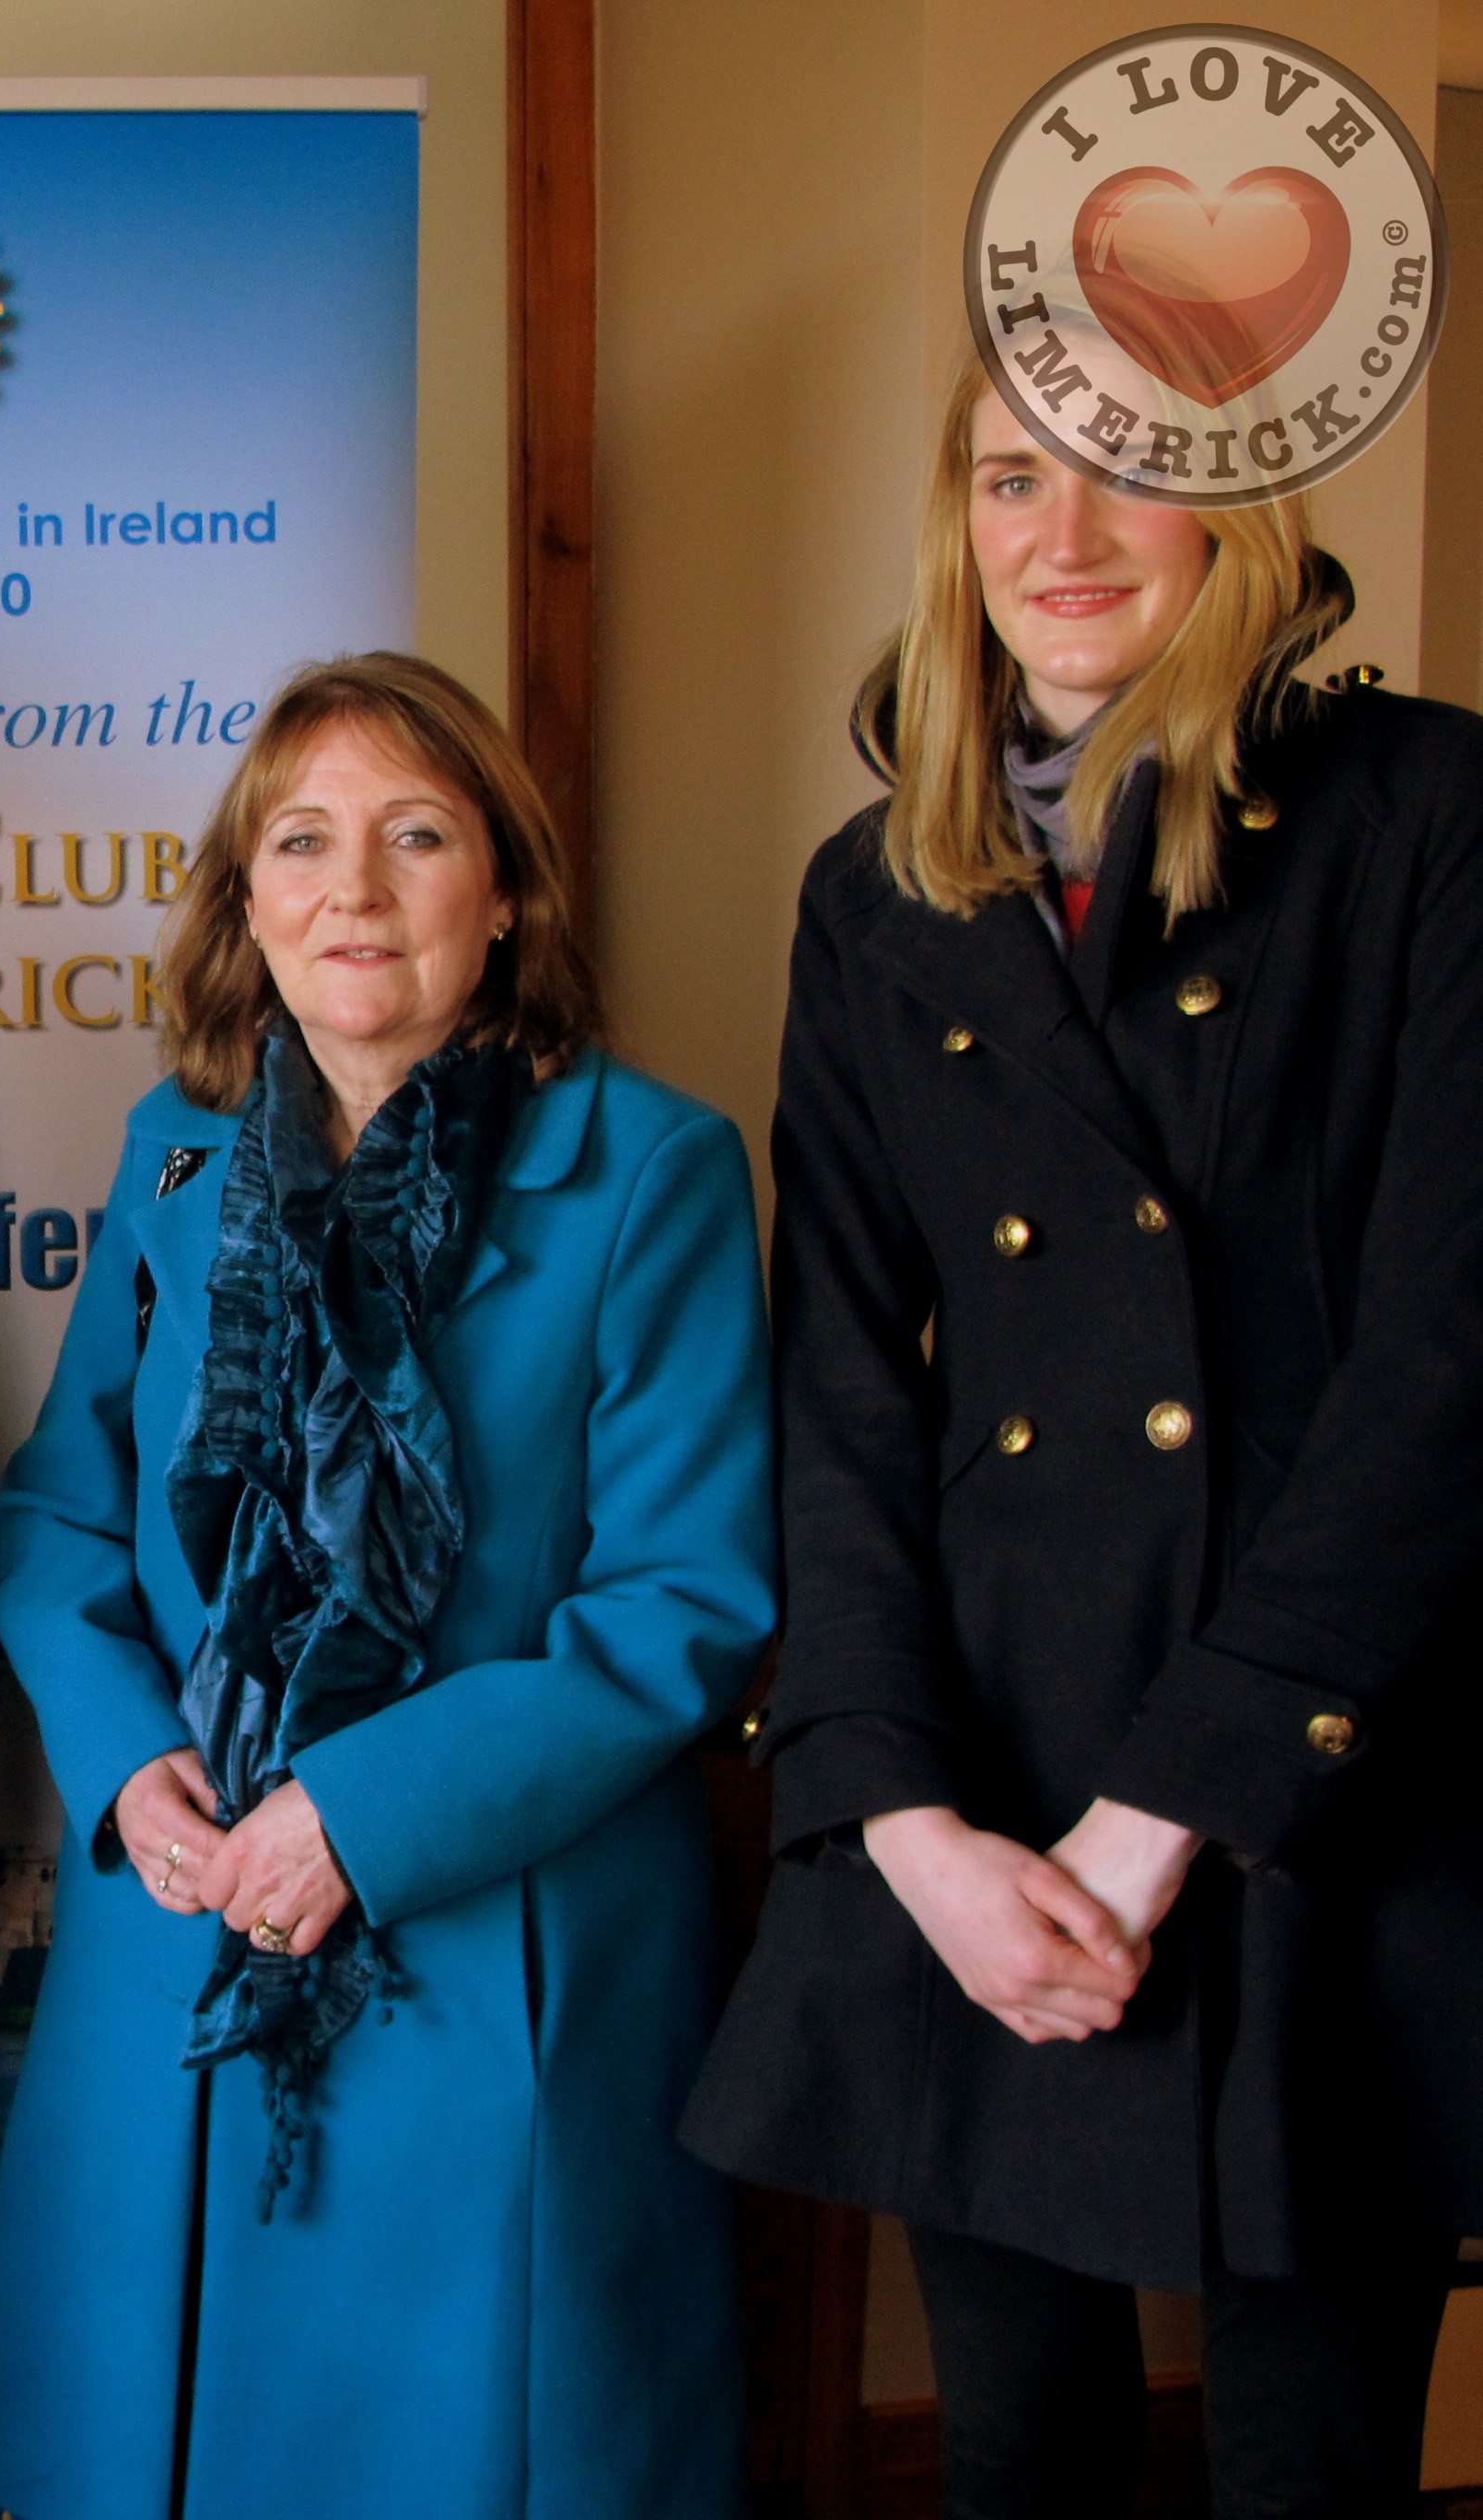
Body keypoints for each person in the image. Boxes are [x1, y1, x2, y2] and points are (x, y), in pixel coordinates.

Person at [684, 358, 1483, 2516]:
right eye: (1012, 476)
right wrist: (903, 1821)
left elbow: (1450, 1363)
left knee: (1306, 2461)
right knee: (1014, 2457)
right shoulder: (877, 894)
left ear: (1251, 513)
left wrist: (1169, 1814)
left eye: (1138, 477)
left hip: (1318, 1769)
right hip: (985, 1786)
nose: (1063, 535)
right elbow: (839, 1389)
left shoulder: (1425, 813)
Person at [0, 653, 777, 2518]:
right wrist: (124, 1768)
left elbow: (681, 1601)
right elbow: (57, 1515)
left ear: (507, 893)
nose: (358, 891)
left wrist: (362, 1816)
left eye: (418, 837)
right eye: (302, 842)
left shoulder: (657, 1169)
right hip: (186, 1910)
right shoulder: (176, 1154)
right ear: (246, 902)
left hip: (498, 1937)